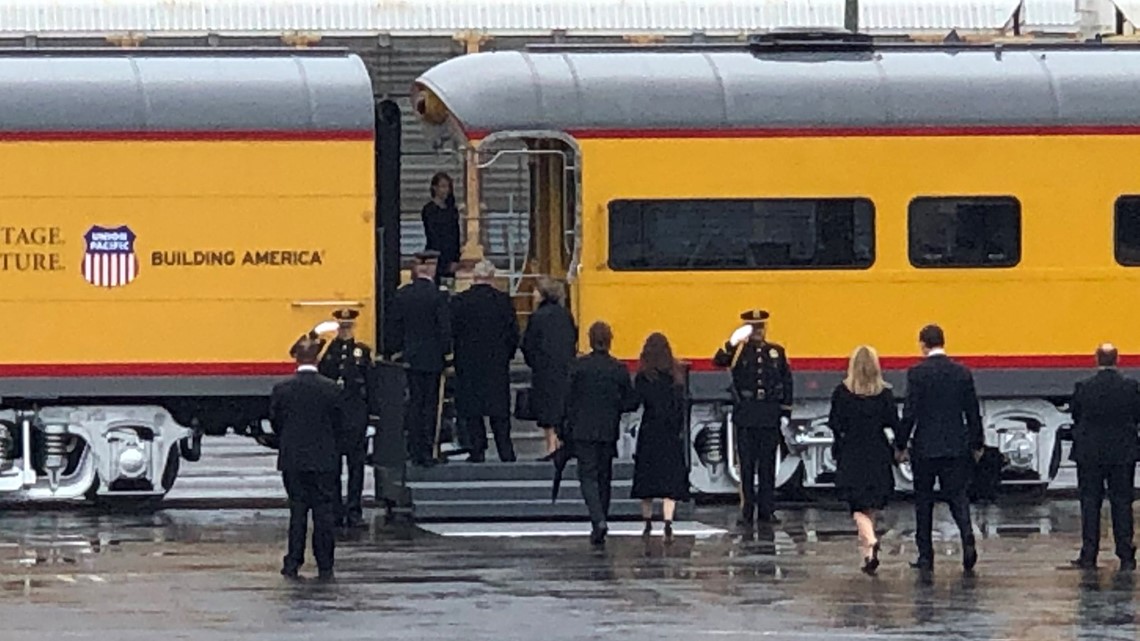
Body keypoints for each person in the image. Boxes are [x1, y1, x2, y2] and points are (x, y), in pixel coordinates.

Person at [894, 324, 983, 573]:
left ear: (923, 344)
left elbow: (910, 413)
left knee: (924, 501)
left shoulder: (917, 374)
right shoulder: (962, 373)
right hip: (955, 446)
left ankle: (926, 555)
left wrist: (900, 444)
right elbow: (972, 412)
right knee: (957, 497)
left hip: (925, 447)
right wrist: (977, 443)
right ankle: (968, 542)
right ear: (943, 342)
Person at [270, 332, 346, 582]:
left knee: (298, 512)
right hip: (324, 459)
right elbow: (340, 425)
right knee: (324, 513)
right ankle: (325, 564)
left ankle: (292, 562)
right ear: (317, 359)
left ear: (296, 360)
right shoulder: (332, 389)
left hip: (293, 460)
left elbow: (276, 424)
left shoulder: (282, 389)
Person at [712, 309, 793, 528]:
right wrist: (732, 342)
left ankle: (767, 510)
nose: (758, 331)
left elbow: (786, 382)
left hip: (769, 413)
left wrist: (785, 412)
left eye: (760, 327)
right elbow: (718, 361)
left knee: (767, 466)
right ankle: (747, 510)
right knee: (746, 466)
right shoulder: (738, 351)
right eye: (753, 327)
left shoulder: (776, 351)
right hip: (746, 414)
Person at [1068, 343, 1140, 572]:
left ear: (1096, 359)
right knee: (1122, 502)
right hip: (1122, 453)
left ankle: (1089, 555)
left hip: (1090, 454)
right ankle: (1126, 554)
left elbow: (1076, 416)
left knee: (1090, 503)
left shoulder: (1083, 387)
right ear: (1117, 360)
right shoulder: (1131, 387)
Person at [828, 345, 899, 575]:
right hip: (878, 452)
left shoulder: (842, 392)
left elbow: (835, 423)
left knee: (856, 507)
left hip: (852, 452)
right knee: (871, 505)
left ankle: (870, 541)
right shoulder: (885, 393)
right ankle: (867, 557)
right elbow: (894, 424)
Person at [565, 321, 637, 545]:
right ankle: (602, 517)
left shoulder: (579, 367)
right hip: (608, 428)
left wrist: (564, 424)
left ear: (589, 339)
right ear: (609, 340)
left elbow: (568, 399)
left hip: (582, 429)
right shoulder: (618, 368)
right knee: (605, 476)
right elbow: (630, 402)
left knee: (587, 475)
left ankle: (597, 520)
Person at [450, 259, 520, 462]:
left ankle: (477, 449)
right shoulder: (503, 301)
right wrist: (507, 354)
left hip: (468, 363)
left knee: (472, 410)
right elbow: (513, 333)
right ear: (492, 277)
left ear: (474, 277)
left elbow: (452, 332)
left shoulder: (460, 301)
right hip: (496, 364)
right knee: (499, 411)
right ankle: (505, 451)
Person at [389, 250, 452, 466]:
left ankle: (413, 449)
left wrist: (397, 351)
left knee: (414, 404)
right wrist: (448, 355)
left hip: (410, 357)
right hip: (433, 360)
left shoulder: (402, 294)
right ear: (432, 269)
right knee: (431, 406)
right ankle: (428, 451)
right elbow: (444, 329)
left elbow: (395, 326)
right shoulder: (439, 295)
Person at [317, 308, 377, 529]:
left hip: (356, 417)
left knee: (356, 467)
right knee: (332, 468)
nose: (344, 330)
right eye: (341, 326)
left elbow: (370, 387)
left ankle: (354, 509)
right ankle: (335, 509)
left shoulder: (361, 352)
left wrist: (372, 419)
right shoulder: (329, 351)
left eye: (347, 326)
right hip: (334, 418)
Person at [630, 333, 690, 542]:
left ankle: (647, 522)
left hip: (650, 430)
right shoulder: (676, 375)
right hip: (669, 433)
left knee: (647, 480)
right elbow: (681, 406)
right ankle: (667, 522)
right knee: (669, 482)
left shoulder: (643, 376)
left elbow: (635, 401)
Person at [522, 277, 577, 458]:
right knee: (560, 407)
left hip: (543, 369)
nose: (533, 294)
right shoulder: (565, 315)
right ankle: (559, 445)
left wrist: (533, 361)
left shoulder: (537, 317)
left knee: (546, 411)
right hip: (564, 368)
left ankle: (551, 447)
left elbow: (528, 344)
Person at [421, 172, 461, 285]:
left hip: (450, 253)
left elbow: (456, 234)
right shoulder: (429, 209)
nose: (446, 190)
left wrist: (455, 258)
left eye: (447, 187)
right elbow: (432, 233)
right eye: (442, 186)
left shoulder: (452, 210)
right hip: (436, 254)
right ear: (435, 188)